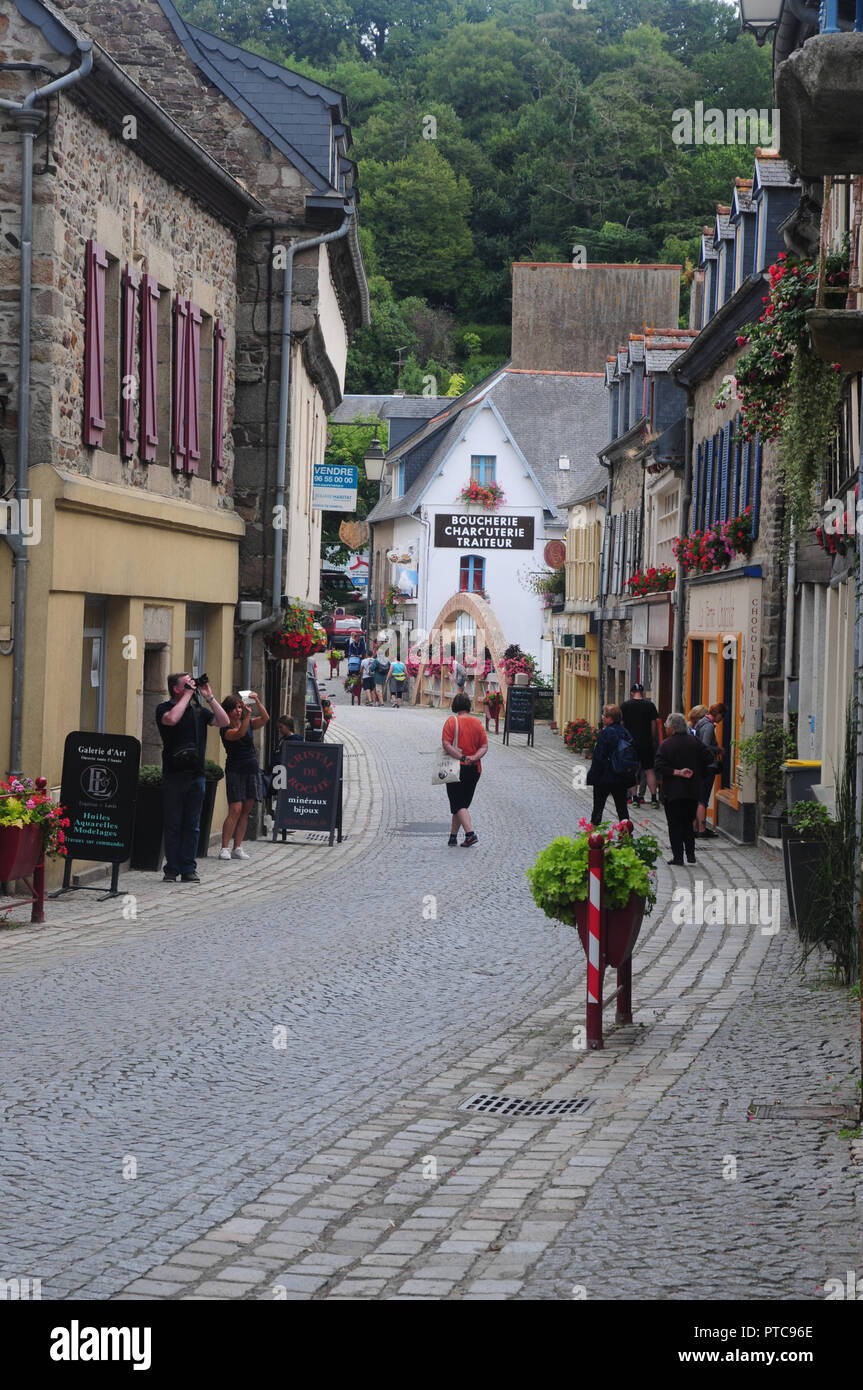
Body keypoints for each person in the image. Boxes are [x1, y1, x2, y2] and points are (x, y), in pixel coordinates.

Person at [156, 673, 230, 883]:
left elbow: (224, 721)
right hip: (174, 774)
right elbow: (172, 719)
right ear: (176, 689)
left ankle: (189, 868)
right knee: (173, 824)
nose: (192, 685)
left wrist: (210, 697)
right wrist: (188, 695)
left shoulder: (198, 710)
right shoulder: (163, 709)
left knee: (193, 825)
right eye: (186, 683)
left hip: (196, 775)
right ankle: (171, 868)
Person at [655, 712, 715, 866]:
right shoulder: (695, 742)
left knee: (674, 824)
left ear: (673, 728)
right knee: (688, 822)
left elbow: (659, 766)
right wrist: (698, 772)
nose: (666, 729)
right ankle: (690, 854)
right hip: (691, 790)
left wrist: (677, 772)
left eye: (667, 726)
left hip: (672, 791)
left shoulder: (666, 745)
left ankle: (678, 856)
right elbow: (709, 758)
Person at [218, 692, 269, 861]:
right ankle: (224, 847)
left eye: (239, 707)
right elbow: (239, 733)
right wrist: (248, 716)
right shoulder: (225, 728)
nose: (238, 711)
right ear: (227, 711)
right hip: (235, 769)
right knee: (235, 809)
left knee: (246, 809)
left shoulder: (247, 723)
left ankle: (237, 847)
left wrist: (257, 701)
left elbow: (265, 718)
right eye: (234, 708)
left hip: (251, 767)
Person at [441, 692, 488, 847]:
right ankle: (453, 837)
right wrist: (474, 757)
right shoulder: (477, 723)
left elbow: (446, 745)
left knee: (458, 803)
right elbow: (484, 746)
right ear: (468, 705)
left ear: (455, 706)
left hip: (456, 767)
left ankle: (470, 834)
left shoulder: (451, 722)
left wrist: (461, 757)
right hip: (474, 769)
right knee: (461, 804)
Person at [586, 704, 639, 825]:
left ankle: (593, 836)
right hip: (621, 776)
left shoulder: (606, 733)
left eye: (604, 715)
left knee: (598, 808)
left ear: (611, 718)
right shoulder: (626, 732)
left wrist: (593, 776)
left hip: (604, 777)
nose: (602, 717)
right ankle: (626, 836)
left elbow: (599, 758)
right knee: (622, 809)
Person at [620, 683, 662, 807]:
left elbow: (621, 724)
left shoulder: (625, 706)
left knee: (632, 771)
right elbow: (654, 724)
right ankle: (654, 798)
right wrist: (653, 740)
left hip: (630, 744)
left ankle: (634, 799)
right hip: (646, 743)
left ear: (632, 693)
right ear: (642, 692)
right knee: (649, 770)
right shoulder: (650, 706)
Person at [693, 702, 726, 839]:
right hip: (707, 766)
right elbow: (705, 745)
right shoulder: (708, 726)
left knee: (699, 797)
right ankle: (701, 828)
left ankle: (696, 827)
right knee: (703, 798)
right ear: (717, 714)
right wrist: (718, 749)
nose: (721, 719)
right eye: (722, 716)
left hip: (700, 765)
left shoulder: (700, 723)